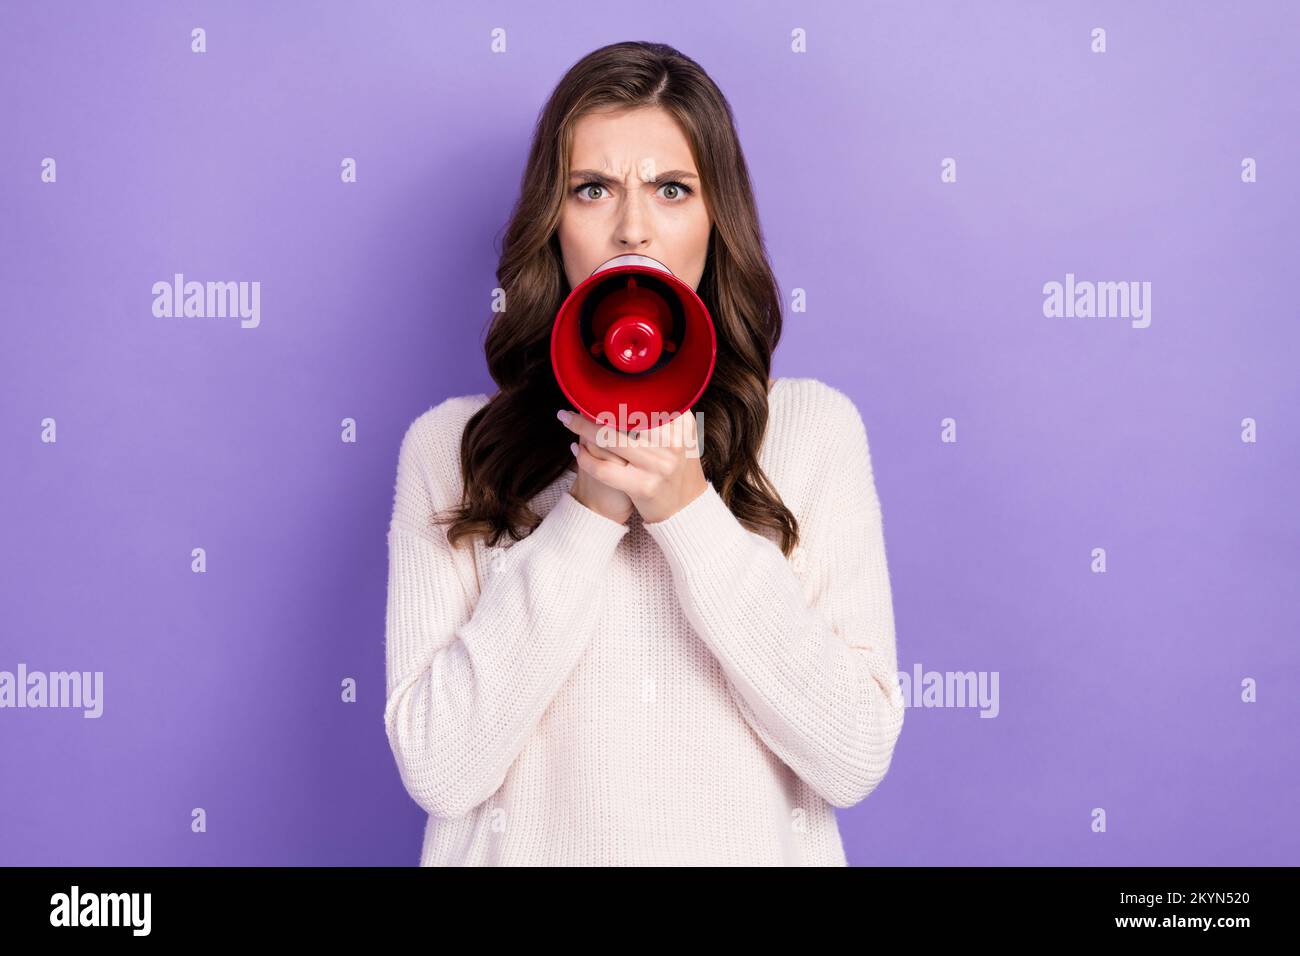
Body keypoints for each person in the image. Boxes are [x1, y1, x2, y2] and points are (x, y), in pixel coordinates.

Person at [383, 40, 904, 866]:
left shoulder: (811, 433)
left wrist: (690, 515)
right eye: (593, 189)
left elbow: (853, 756)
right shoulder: (452, 449)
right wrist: (586, 516)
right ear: (552, 222)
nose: (633, 228)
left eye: (671, 189)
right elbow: (443, 771)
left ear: (714, 217)